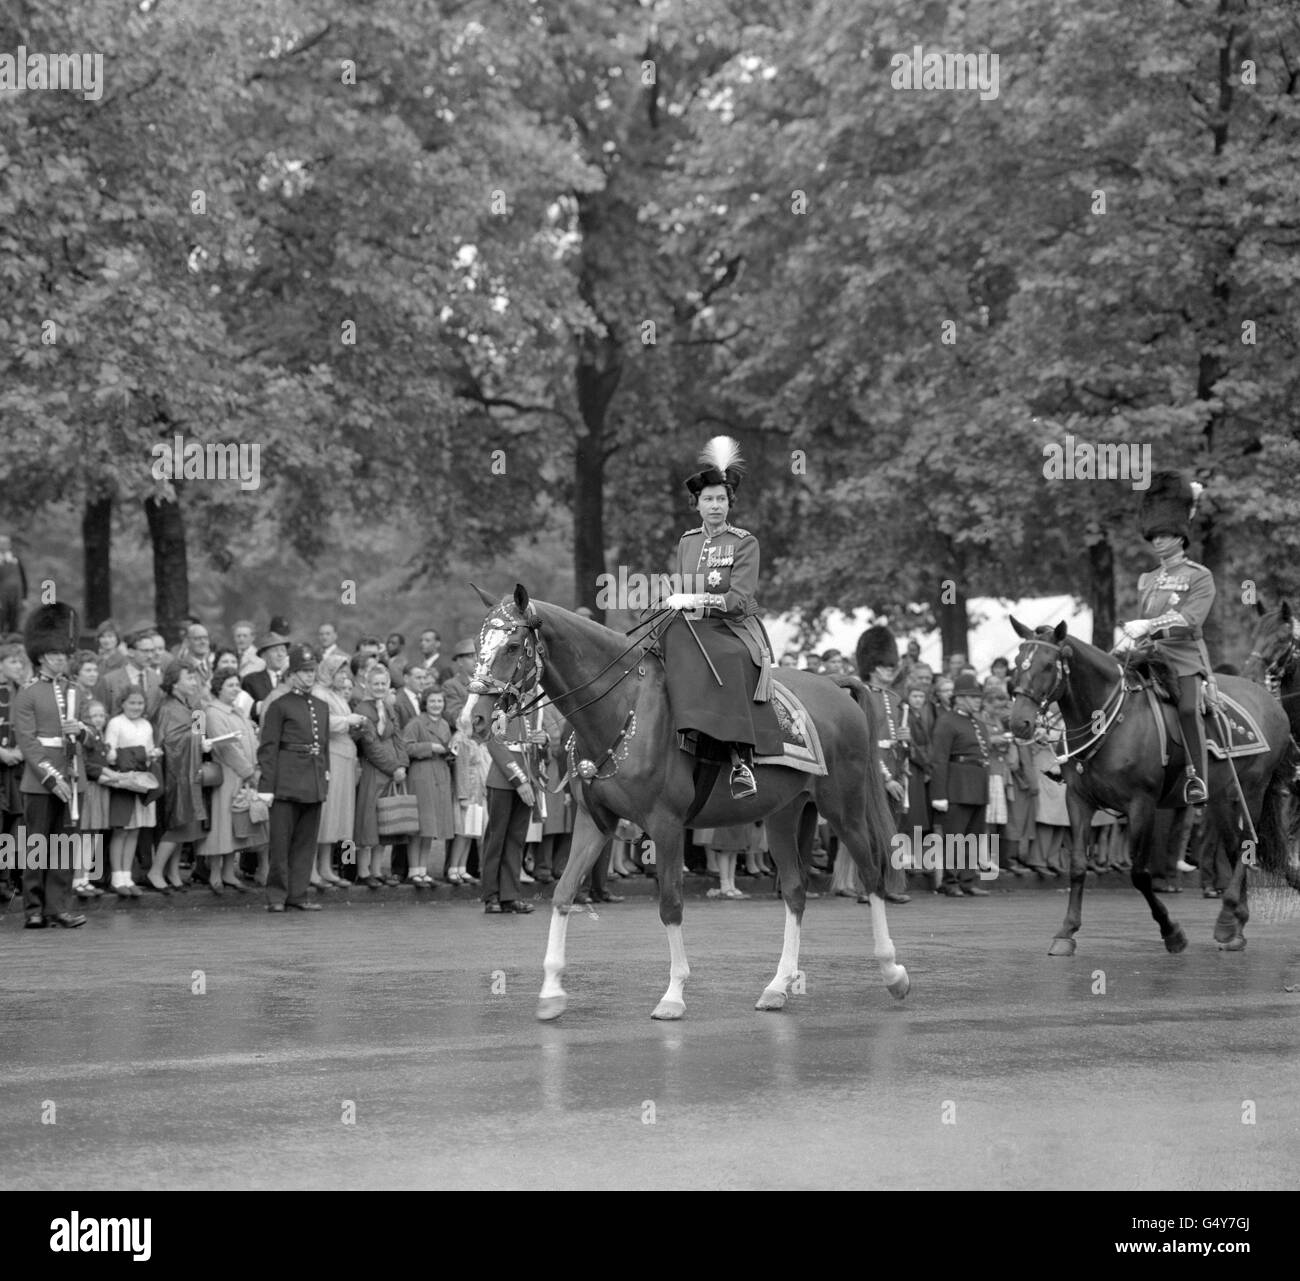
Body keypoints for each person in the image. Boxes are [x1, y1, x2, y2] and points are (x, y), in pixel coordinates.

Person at [661, 436, 780, 799]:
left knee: (727, 658)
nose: (715, 506)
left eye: (721, 499)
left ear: (730, 503)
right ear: (696, 505)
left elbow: (739, 600)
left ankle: (739, 757)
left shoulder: (745, 542)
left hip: (733, 628)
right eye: (708, 499)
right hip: (690, 623)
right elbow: (679, 586)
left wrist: (694, 598)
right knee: (656, 641)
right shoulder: (687, 542)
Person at [1113, 471, 1214, 805]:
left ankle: (1197, 778)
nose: (1157, 541)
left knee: (1186, 710)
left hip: (1183, 659)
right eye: (1153, 535)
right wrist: (1133, 637)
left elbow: (1190, 620)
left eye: (1165, 533)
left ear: (1180, 534)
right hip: (1148, 656)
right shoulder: (1147, 579)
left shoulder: (1199, 576)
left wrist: (1149, 626)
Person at [12, 603, 86, 928]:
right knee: (36, 844)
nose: (61, 659)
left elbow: (94, 729)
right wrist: (53, 778)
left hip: (72, 773)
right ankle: (34, 909)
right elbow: (28, 743)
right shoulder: (28, 695)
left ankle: (59, 906)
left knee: (65, 845)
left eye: (64, 655)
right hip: (40, 780)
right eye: (55, 655)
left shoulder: (76, 691)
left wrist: (81, 730)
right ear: (41, 656)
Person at [258, 644, 330, 912]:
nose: (309, 676)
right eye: (304, 671)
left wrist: (324, 779)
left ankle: (298, 894)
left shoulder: (321, 706)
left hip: (312, 781)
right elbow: (268, 747)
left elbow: (323, 747)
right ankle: (276, 896)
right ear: (293, 673)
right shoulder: (279, 706)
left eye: (312, 671)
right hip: (285, 783)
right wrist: (266, 786)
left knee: (305, 843)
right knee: (280, 844)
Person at [193, 671, 260, 893]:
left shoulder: (238, 711)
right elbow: (226, 748)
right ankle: (214, 873)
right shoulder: (212, 713)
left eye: (237, 685)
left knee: (235, 825)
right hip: (226, 775)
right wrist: (249, 771)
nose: (235, 689)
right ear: (219, 688)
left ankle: (229, 873)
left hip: (241, 776)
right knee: (221, 825)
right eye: (230, 685)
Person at [928, 672, 992, 898]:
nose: (978, 701)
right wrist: (939, 794)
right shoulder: (946, 721)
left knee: (974, 837)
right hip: (956, 786)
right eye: (974, 697)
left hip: (977, 785)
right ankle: (950, 880)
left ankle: (968, 880)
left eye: (979, 697)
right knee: (954, 837)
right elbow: (939, 759)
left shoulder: (978, 722)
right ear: (961, 697)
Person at [148, 658, 209, 893]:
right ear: (174, 682)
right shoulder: (166, 708)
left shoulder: (192, 704)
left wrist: (201, 739)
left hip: (191, 771)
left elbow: (200, 732)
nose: (194, 682)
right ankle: (156, 871)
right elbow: (168, 743)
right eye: (189, 678)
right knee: (178, 823)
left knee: (187, 823)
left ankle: (173, 873)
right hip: (176, 773)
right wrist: (197, 740)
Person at [352, 663, 409, 888]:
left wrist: (403, 764)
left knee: (385, 822)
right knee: (367, 823)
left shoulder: (389, 707)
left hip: (392, 771)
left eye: (383, 684)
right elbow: (371, 746)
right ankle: (362, 871)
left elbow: (398, 737)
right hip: (373, 771)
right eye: (375, 683)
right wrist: (393, 767)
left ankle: (377, 869)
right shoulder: (362, 709)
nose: (379, 687)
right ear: (367, 684)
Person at [480, 701, 540, 914]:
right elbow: (495, 743)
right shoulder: (501, 705)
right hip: (504, 779)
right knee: (497, 839)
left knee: (516, 840)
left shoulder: (534, 706)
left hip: (527, 779)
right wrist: (519, 779)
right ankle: (491, 895)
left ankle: (510, 895)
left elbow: (533, 744)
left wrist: (545, 741)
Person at [312, 654, 364, 888]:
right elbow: (322, 723)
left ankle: (328, 867)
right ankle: (313, 868)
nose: (345, 677)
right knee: (326, 815)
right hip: (331, 757)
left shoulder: (335, 694)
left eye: (346, 672)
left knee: (340, 818)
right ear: (329, 672)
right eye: (340, 672)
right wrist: (348, 720)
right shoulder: (319, 693)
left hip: (345, 758)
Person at [103, 687, 160, 896]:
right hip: (124, 781)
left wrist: (152, 754)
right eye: (132, 703)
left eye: (140, 703)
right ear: (122, 703)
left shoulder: (146, 725)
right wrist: (141, 754)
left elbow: (150, 750)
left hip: (142, 782)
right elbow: (110, 755)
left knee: (136, 829)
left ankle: (127, 876)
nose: (136, 707)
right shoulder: (116, 723)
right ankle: (117, 878)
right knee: (121, 829)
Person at [402, 687, 456, 884]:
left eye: (439, 701)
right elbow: (405, 747)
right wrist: (430, 747)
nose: (436, 705)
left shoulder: (444, 724)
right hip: (422, 775)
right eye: (432, 701)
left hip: (440, 774)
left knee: (431, 828)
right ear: (425, 703)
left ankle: (422, 869)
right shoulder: (416, 723)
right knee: (419, 826)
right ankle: (413, 870)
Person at [0, 638, 27, 903]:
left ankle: (6, 879)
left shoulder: (23, 691)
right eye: (13, 661)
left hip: (18, 768)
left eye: (21, 661)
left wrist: (19, 752)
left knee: (12, 824)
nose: (18, 666)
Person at [95, 628, 162, 719]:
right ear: (131, 652)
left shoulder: (157, 679)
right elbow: (102, 713)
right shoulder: (109, 680)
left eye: (152, 651)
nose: (150, 656)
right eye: (145, 651)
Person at [243, 631, 289, 722]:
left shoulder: (294, 679)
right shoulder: (251, 680)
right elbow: (245, 709)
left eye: (283, 650)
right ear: (263, 656)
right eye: (275, 650)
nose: (280, 654)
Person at [440, 637, 477, 731]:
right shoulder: (451, 685)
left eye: (478, 655)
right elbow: (453, 717)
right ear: (460, 661)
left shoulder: (489, 683)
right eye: (470, 656)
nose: (476, 659)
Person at [0, 533, 27, 634]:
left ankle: (13, 638)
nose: (3, 545)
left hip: (16, 595)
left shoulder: (15, 558)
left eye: (5, 543)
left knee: (15, 618)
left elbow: (24, 579)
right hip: (2, 595)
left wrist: (25, 597)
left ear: (9, 544)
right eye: (1, 543)